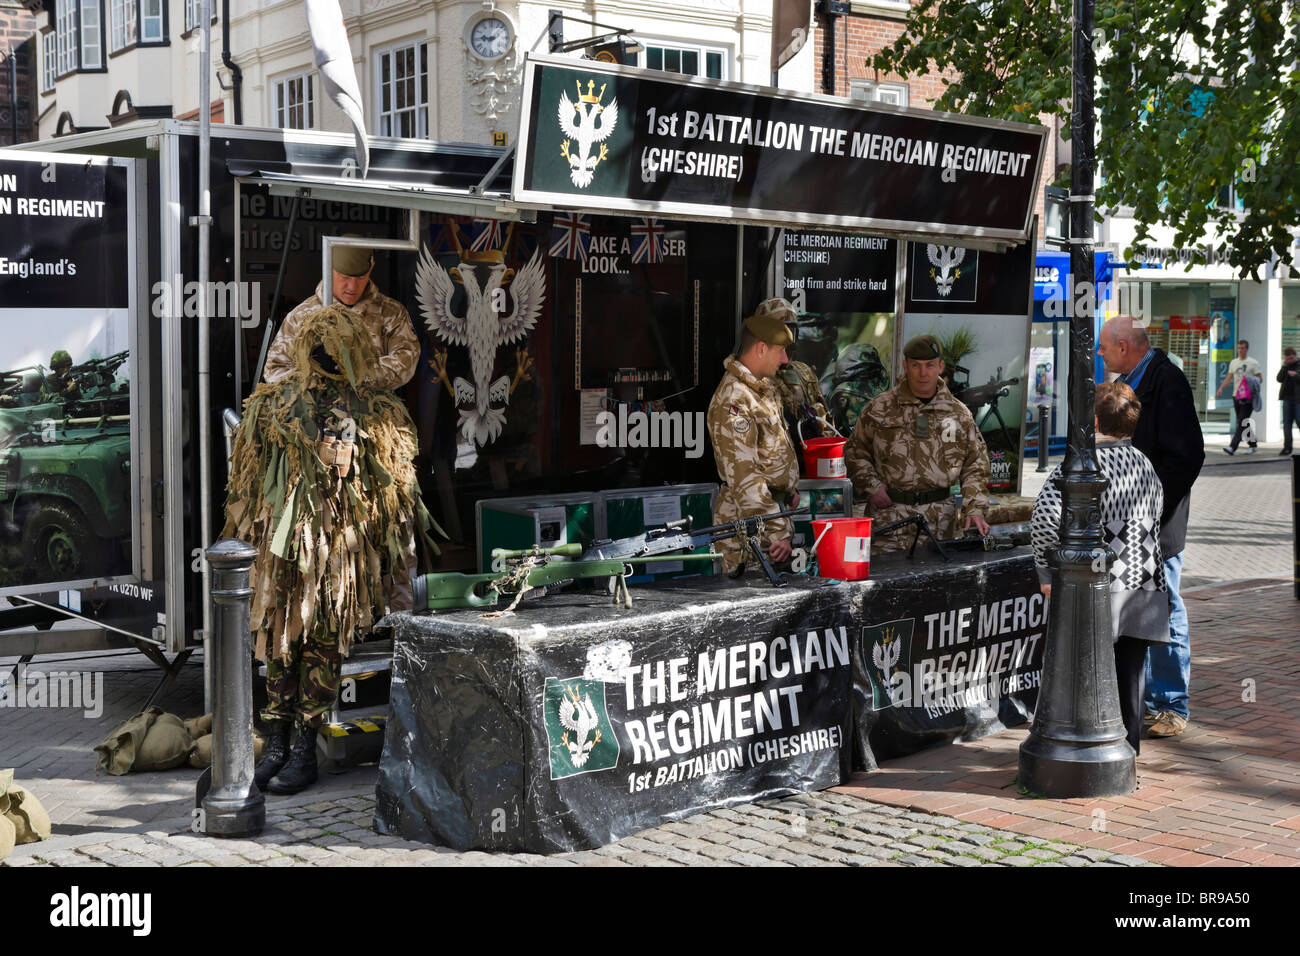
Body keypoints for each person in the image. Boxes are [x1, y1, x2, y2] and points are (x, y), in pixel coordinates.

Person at [229, 303, 439, 796]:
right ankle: (278, 742)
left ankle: (304, 747)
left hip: (336, 560)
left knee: (320, 644)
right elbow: (247, 484)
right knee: (282, 643)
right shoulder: (274, 405)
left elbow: (394, 498)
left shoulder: (376, 410)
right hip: (285, 554)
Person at [1032, 382, 1166, 754]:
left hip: (1097, 583)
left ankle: (1086, 749)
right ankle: (1128, 752)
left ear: (1091, 421)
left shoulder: (1084, 463)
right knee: (1130, 674)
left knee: (1085, 672)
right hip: (1143, 580)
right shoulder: (1145, 463)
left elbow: (1044, 518)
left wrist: (1046, 571)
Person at [1096, 315, 1204, 738]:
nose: (1100, 353)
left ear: (1124, 347)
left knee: (1167, 606)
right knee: (1140, 608)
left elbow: (1187, 456)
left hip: (1156, 525)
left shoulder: (1166, 380)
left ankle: (1170, 704)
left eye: (1105, 346)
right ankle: (1141, 699)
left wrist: (1152, 509)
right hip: (1132, 524)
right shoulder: (1138, 378)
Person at [843, 333, 990, 552]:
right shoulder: (879, 408)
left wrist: (975, 508)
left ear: (940, 367)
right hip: (890, 518)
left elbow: (976, 463)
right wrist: (871, 487)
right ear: (905, 366)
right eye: (916, 365)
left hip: (941, 522)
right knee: (886, 582)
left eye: (930, 365)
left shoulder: (958, 414)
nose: (923, 373)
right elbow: (855, 452)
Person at [706, 297, 801, 574]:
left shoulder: (762, 390)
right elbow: (744, 476)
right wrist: (778, 529)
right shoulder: (735, 399)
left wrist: (787, 490)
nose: (785, 359)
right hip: (748, 533)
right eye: (781, 351)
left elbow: (770, 454)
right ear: (761, 348)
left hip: (768, 523)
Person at [265, 240, 420, 392]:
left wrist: (357, 374)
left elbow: (406, 360)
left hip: (373, 412)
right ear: (328, 268)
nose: (352, 287)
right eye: (345, 277)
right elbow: (274, 369)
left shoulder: (391, 313)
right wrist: (316, 380)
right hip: (317, 413)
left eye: (360, 278)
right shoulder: (301, 316)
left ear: (371, 268)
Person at [1216, 339, 1262, 455]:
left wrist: (1250, 380)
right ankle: (1253, 444)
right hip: (1236, 395)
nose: (1240, 350)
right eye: (1239, 348)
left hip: (1248, 397)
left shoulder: (1253, 363)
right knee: (1244, 422)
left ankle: (1233, 447)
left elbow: (1260, 379)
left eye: (1242, 348)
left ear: (1247, 349)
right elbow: (1229, 377)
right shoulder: (1234, 362)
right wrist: (1221, 388)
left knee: (1241, 421)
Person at [1276, 347, 1299, 455]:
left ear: (1295, 356)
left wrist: (1295, 375)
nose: (1290, 360)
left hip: (1298, 399)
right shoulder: (1286, 366)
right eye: (1287, 359)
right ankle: (1287, 447)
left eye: (1291, 358)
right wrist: (1284, 366)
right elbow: (1279, 378)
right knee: (1287, 424)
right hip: (1287, 398)